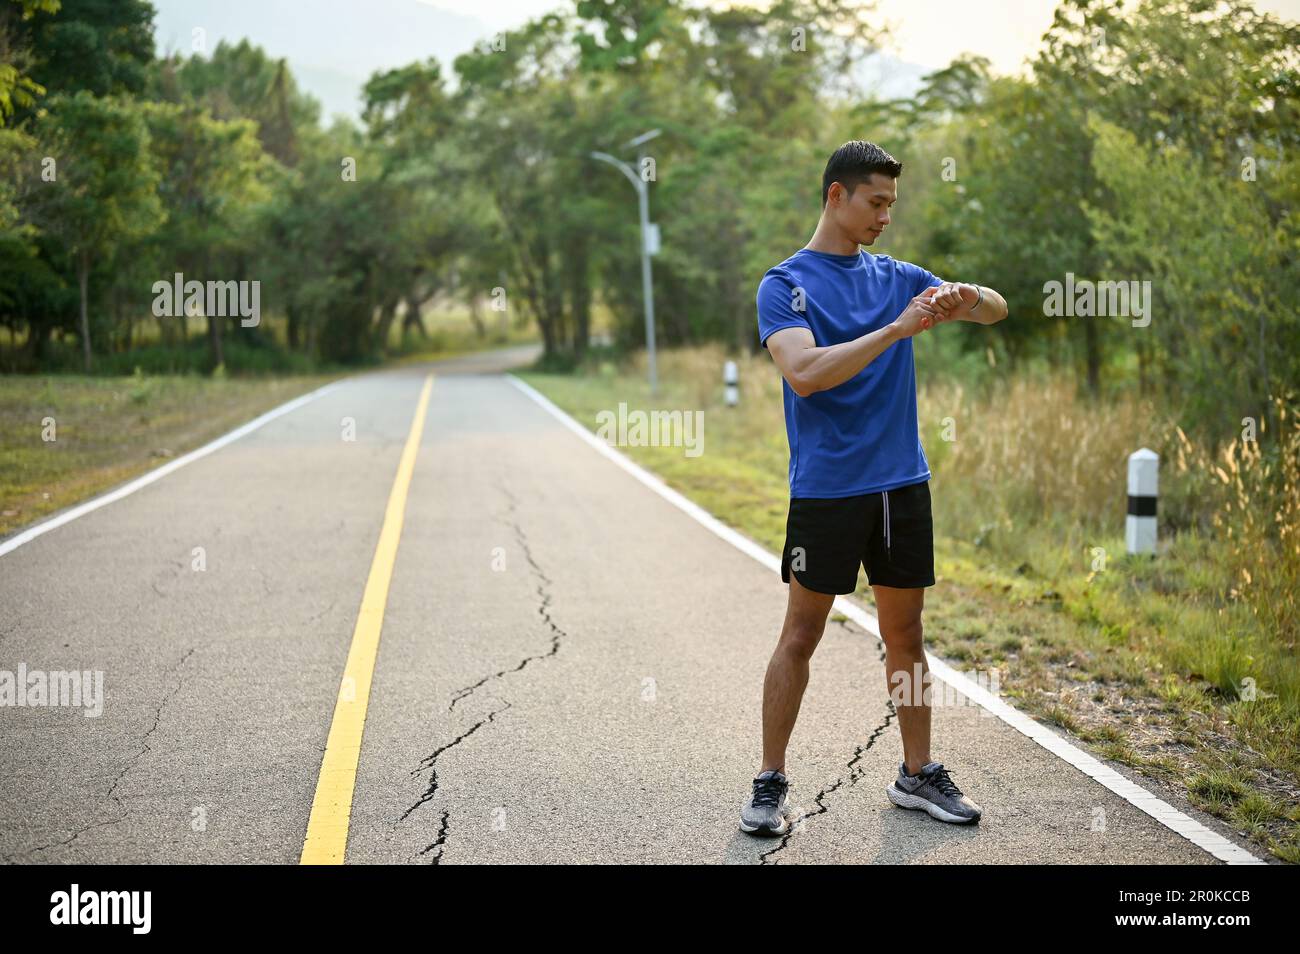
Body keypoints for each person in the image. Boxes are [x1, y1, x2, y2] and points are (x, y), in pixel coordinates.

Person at [740, 140, 1008, 837]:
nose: (886, 216)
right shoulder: (785, 284)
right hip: (828, 490)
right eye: (876, 202)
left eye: (893, 203)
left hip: (901, 485)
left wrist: (966, 296)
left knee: (907, 636)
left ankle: (917, 775)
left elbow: (996, 311)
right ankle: (770, 783)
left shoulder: (898, 275)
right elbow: (805, 372)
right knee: (801, 632)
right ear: (837, 196)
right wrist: (897, 329)